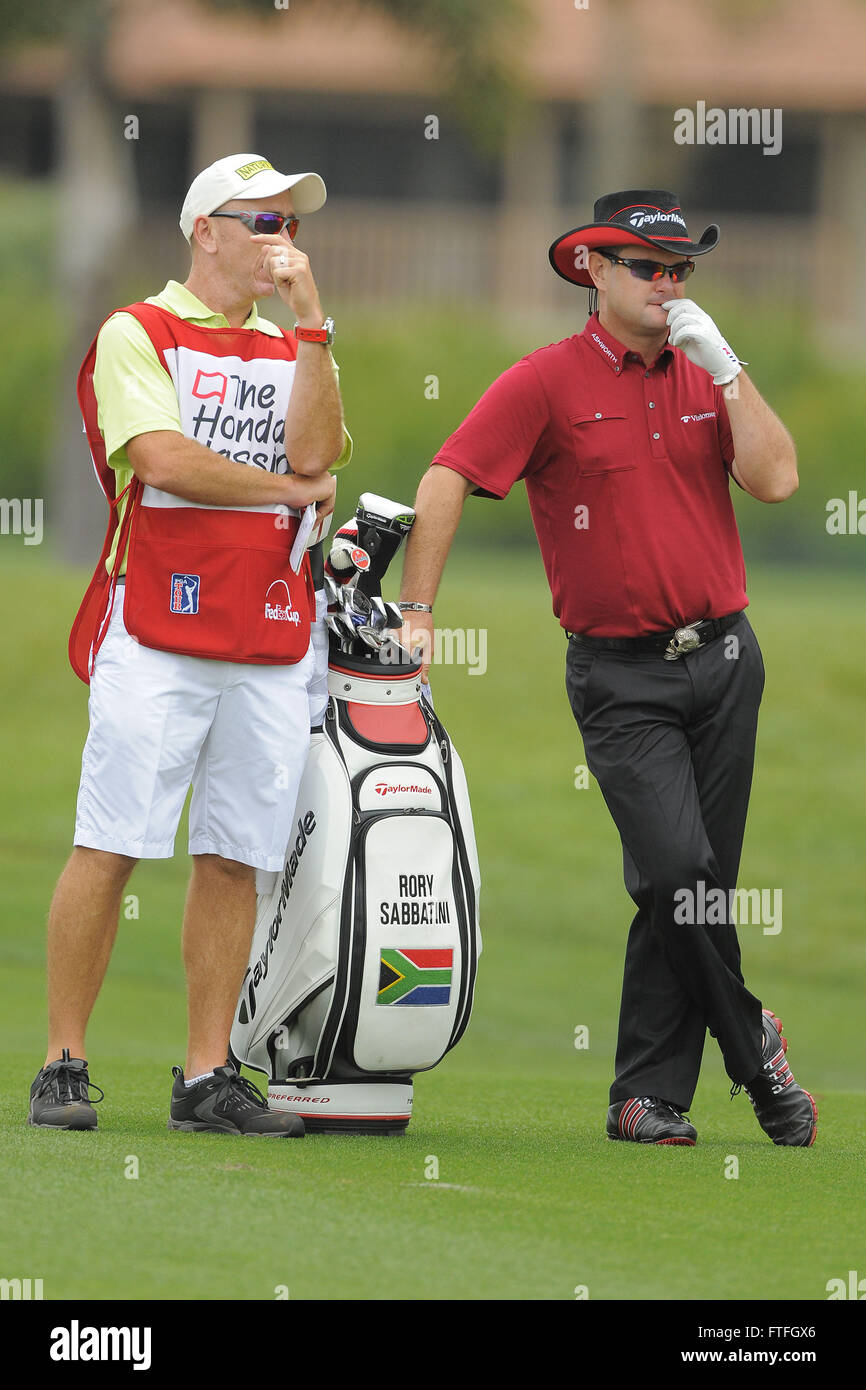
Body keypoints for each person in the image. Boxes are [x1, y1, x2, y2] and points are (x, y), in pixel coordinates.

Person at [398, 189, 817, 1147]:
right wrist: (419, 609)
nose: (667, 285)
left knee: (692, 885)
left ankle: (647, 1097)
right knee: (675, 870)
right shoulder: (545, 381)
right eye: (647, 268)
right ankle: (755, 1050)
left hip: (724, 659)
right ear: (593, 270)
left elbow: (780, 478)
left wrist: (731, 367)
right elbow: (447, 474)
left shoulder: (708, 371)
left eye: (679, 270)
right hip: (620, 676)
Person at [28, 153, 351, 1137]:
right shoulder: (140, 329)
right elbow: (161, 459)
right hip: (157, 630)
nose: (279, 240)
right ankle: (63, 1061)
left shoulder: (295, 342)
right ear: (203, 229)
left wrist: (313, 332)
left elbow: (318, 454)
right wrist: (292, 495)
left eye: (289, 223)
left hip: (266, 636)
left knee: (232, 856)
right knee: (112, 840)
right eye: (260, 220)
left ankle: (206, 1073)